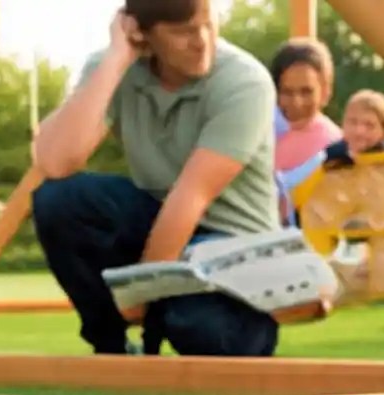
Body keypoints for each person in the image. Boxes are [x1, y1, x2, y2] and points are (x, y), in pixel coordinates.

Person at [29, 0, 282, 357]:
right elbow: (55, 162)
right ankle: (111, 349)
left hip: (233, 249)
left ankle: (201, 322)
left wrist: (143, 290)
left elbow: (192, 195)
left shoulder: (244, 82)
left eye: (209, 24)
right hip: (159, 222)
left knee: (202, 332)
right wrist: (116, 59)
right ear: (141, 32)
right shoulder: (116, 67)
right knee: (59, 201)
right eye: (183, 31)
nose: (202, 41)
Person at [270, 38, 342, 174]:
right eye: (287, 92)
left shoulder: (335, 147)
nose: (297, 102)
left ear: (326, 91)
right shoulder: (257, 134)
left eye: (306, 92)